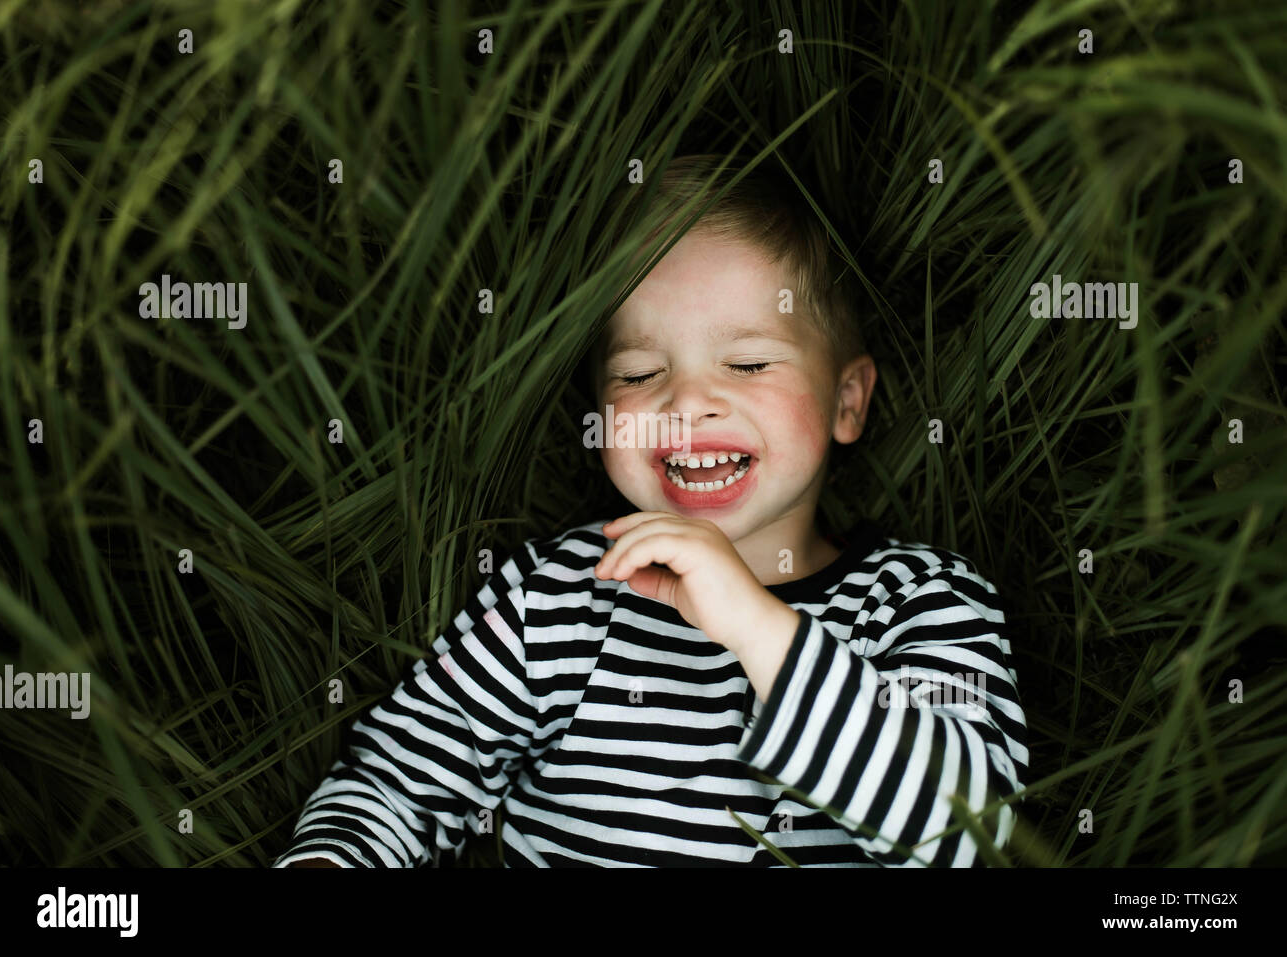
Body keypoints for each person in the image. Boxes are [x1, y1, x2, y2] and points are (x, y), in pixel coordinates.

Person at [274, 155, 1028, 867]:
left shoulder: (921, 603)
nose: (689, 401)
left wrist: (757, 625)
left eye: (748, 363)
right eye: (640, 372)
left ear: (847, 399)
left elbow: (972, 839)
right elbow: (403, 776)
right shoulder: (563, 593)